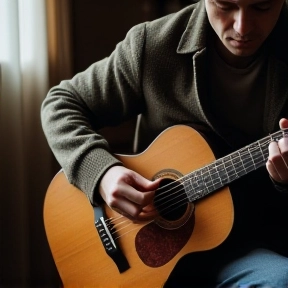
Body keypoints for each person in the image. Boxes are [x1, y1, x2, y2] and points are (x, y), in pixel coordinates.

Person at [41, 0, 288, 286]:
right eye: (225, 4)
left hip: (252, 246)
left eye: (261, 7)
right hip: (150, 255)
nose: (242, 26)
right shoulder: (153, 45)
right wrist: (102, 173)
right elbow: (61, 104)